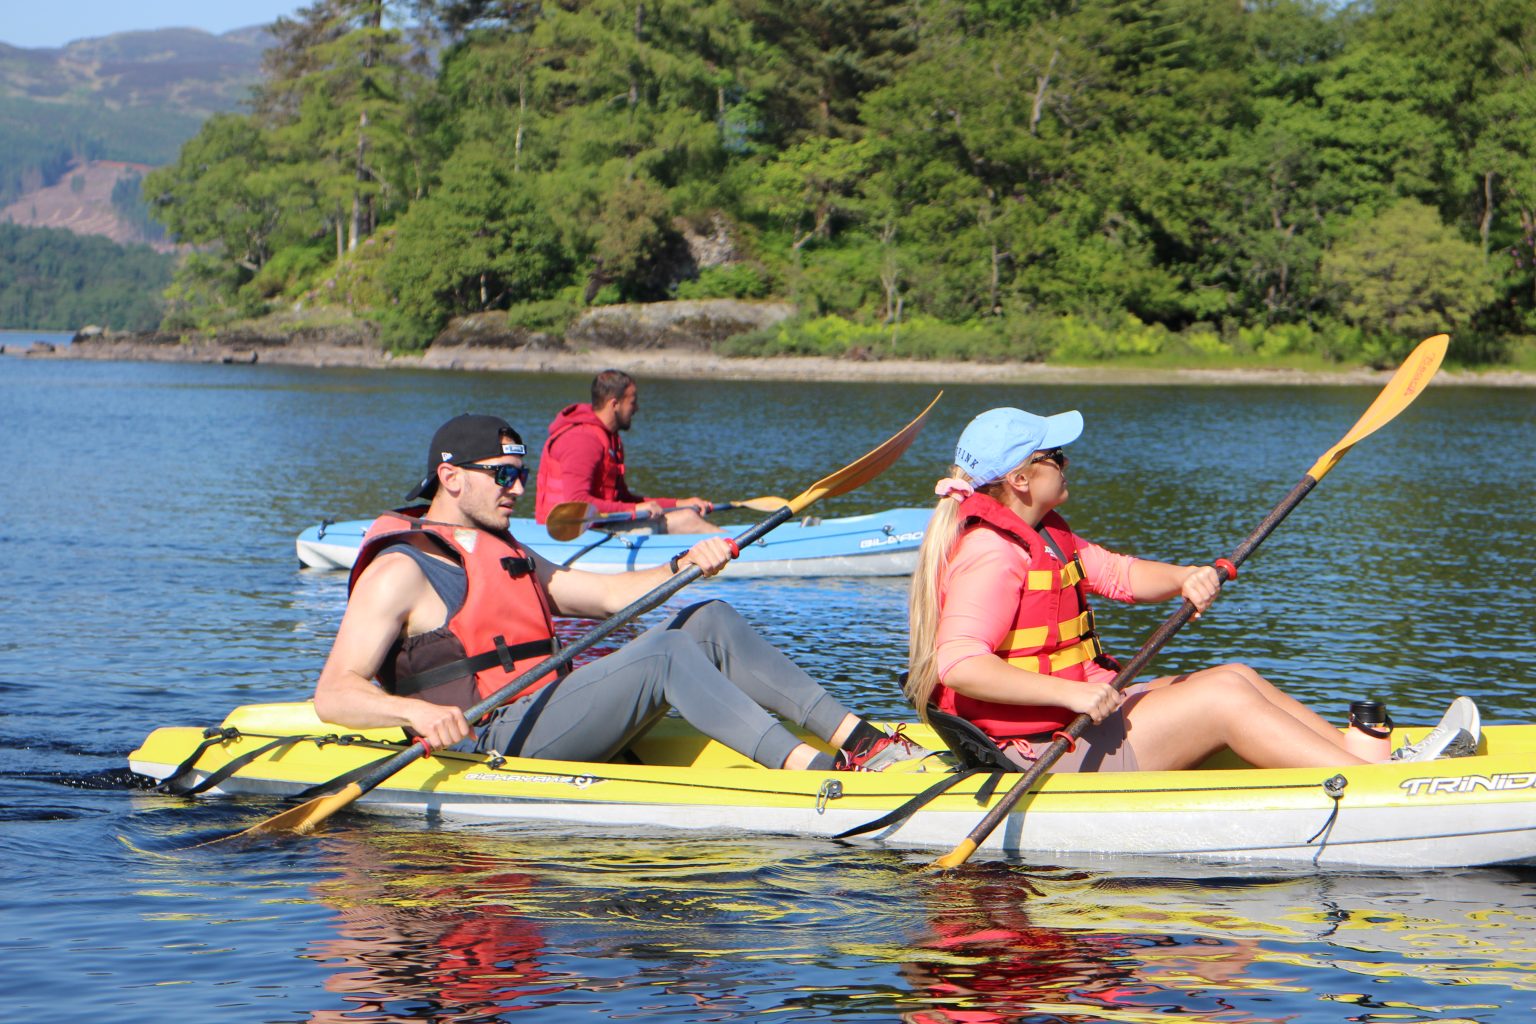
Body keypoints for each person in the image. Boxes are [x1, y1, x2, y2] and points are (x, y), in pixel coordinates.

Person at [314, 413, 933, 773]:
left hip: (546, 711)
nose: (517, 489)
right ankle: (813, 776)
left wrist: (686, 564)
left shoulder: (505, 550)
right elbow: (335, 693)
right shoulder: (402, 568)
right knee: (662, 655)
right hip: (492, 739)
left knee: (706, 618)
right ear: (449, 478)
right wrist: (415, 713)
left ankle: (861, 739)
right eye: (502, 475)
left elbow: (609, 597)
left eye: (521, 475)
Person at [904, 406, 1481, 772]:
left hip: (1071, 724)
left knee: (1233, 675)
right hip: (1041, 750)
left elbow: (1120, 575)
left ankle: (1357, 758)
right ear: (1022, 479)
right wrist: (1073, 697)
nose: (1068, 463)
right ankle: (1370, 788)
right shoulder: (992, 552)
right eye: (1057, 456)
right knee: (1222, 701)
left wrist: (1184, 577)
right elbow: (959, 666)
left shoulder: (1044, 536)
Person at [533, 369, 719, 533]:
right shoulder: (582, 440)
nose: (636, 409)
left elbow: (623, 499)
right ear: (614, 404)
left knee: (686, 513)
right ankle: (738, 553)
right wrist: (633, 511)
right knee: (687, 520)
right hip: (570, 534)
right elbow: (578, 503)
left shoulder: (608, 438)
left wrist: (679, 504)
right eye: (632, 402)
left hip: (600, 525)